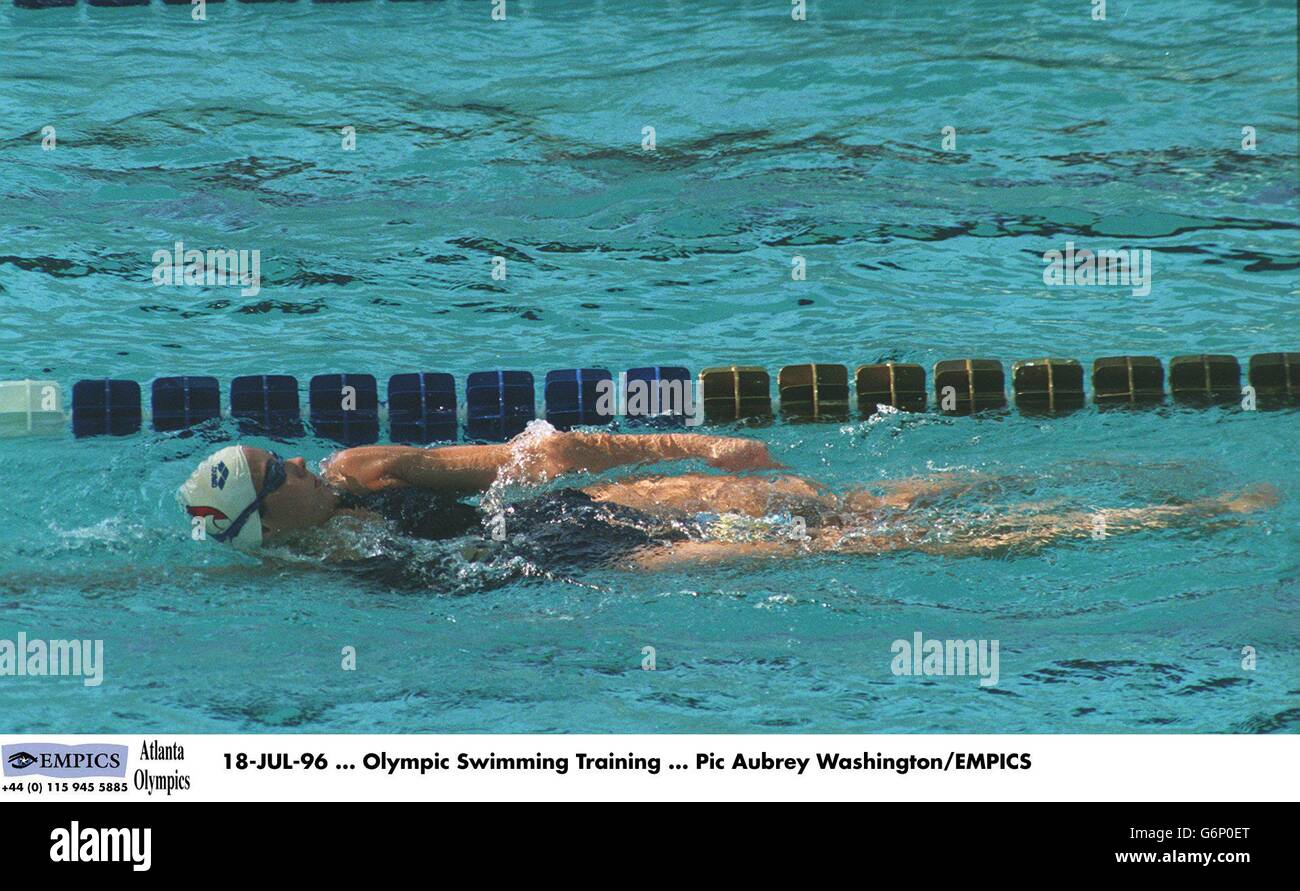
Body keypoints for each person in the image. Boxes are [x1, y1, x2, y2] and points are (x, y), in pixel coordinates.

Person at [178, 427, 1278, 572]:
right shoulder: (298, 557)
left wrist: (696, 446)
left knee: (845, 510)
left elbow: (545, 452)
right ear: (267, 517)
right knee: (852, 550)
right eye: (280, 474)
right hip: (566, 570)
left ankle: (1058, 480)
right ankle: (1162, 516)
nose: (297, 463)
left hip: (547, 534)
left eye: (280, 454)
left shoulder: (365, 472)